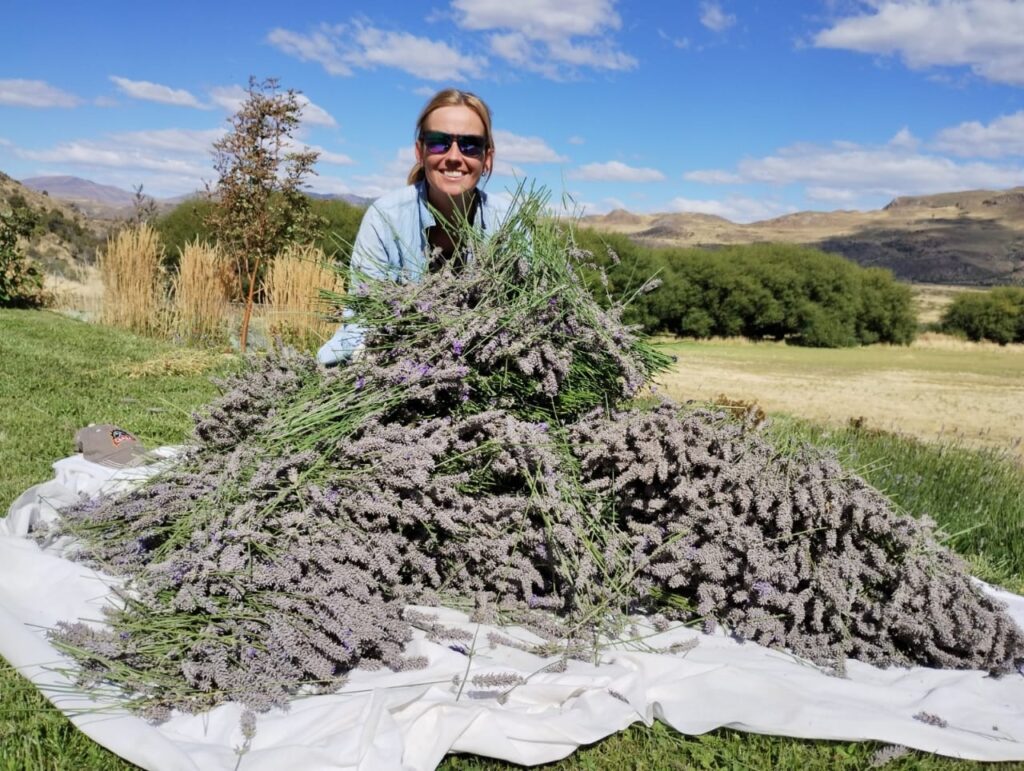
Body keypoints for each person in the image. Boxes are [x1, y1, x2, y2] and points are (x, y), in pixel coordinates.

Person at [317, 88, 510, 366]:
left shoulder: (508, 222)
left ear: (487, 158)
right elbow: (363, 322)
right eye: (438, 142)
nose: (454, 156)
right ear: (420, 151)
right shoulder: (385, 219)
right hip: (392, 365)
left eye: (469, 145)